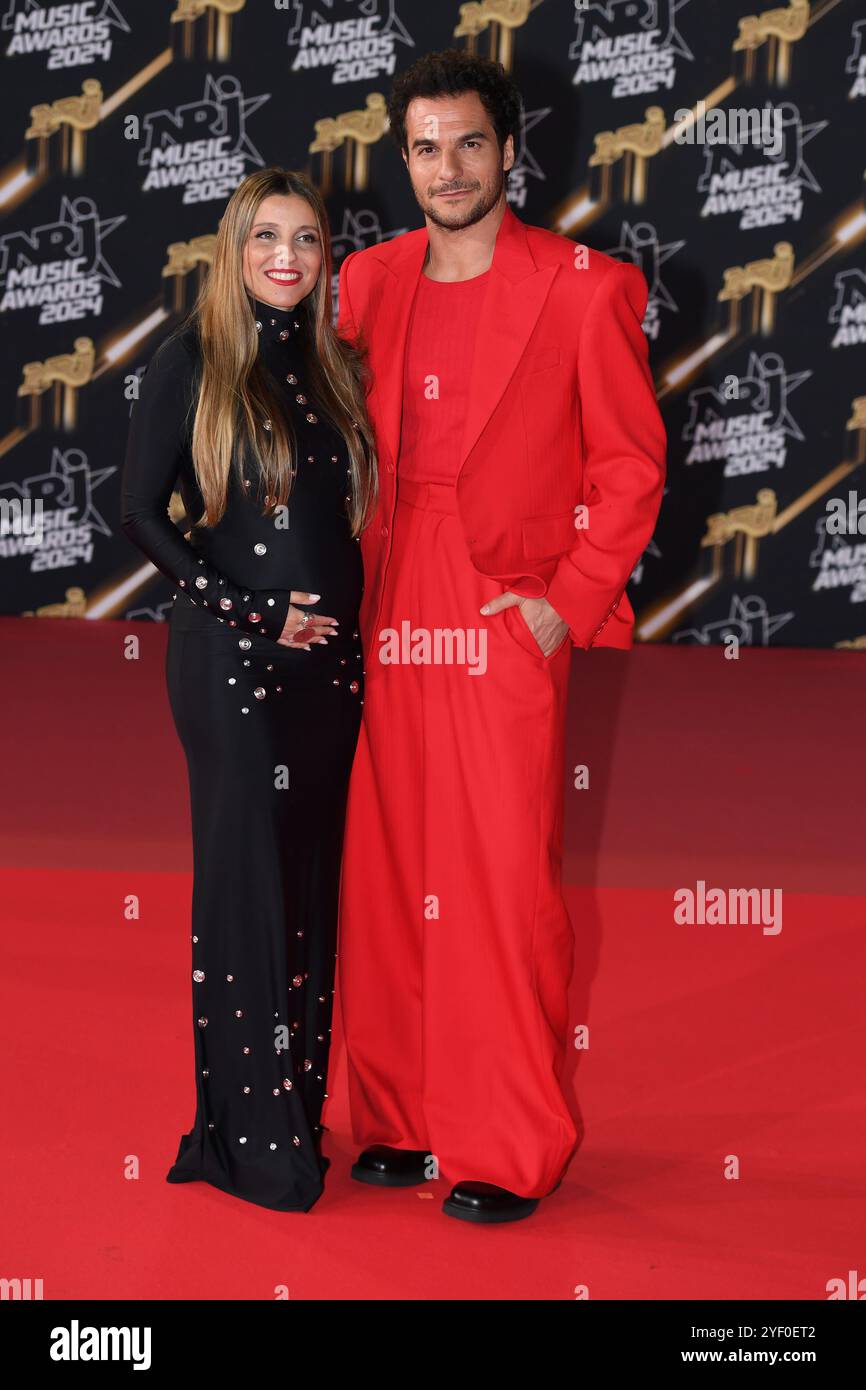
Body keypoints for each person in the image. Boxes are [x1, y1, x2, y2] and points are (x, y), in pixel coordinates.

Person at [336, 50, 667, 1223]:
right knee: (383, 868)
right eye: (424, 146)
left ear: (510, 150)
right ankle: (401, 1117)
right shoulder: (363, 283)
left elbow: (628, 468)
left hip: (496, 606)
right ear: (403, 159)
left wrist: (560, 601)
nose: (447, 166)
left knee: (495, 872)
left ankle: (503, 1140)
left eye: (468, 142)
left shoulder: (584, 287)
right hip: (381, 596)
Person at [121, 167, 376, 1212]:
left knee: (310, 891)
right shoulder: (190, 360)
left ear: (325, 259)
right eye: (265, 237)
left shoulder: (332, 366)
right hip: (231, 665)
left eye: (307, 240)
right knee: (248, 894)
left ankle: (293, 1115)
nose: (286, 256)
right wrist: (253, 613)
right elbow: (140, 517)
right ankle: (248, 1142)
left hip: (329, 671)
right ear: (232, 252)